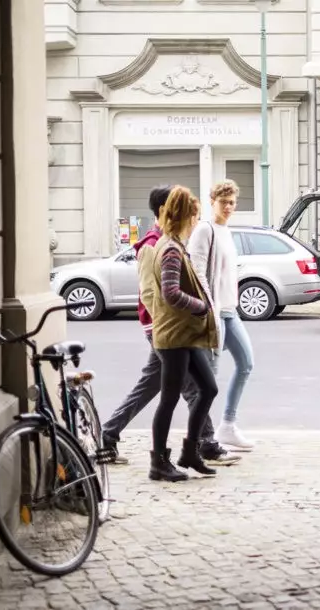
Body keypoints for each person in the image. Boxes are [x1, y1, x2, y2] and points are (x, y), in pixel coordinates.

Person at [99, 186, 239, 468]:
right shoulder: (153, 245)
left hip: (168, 329)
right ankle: (202, 445)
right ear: (166, 210)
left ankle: (109, 434)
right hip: (165, 330)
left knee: (154, 386)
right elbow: (152, 293)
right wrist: (162, 325)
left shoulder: (167, 240)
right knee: (194, 389)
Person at [139, 185, 221, 482]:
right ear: (185, 216)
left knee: (208, 388)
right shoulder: (171, 249)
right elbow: (171, 293)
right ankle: (159, 462)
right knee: (170, 398)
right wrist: (200, 307)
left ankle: (189, 451)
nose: (196, 221)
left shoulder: (172, 243)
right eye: (194, 216)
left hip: (183, 335)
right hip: (174, 337)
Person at [188, 180, 256, 451]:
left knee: (246, 363)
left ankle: (227, 425)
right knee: (209, 379)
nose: (228, 207)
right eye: (223, 202)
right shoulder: (204, 230)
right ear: (212, 201)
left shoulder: (226, 230)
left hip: (230, 310)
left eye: (232, 203)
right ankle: (202, 438)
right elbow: (197, 274)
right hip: (214, 314)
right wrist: (209, 311)